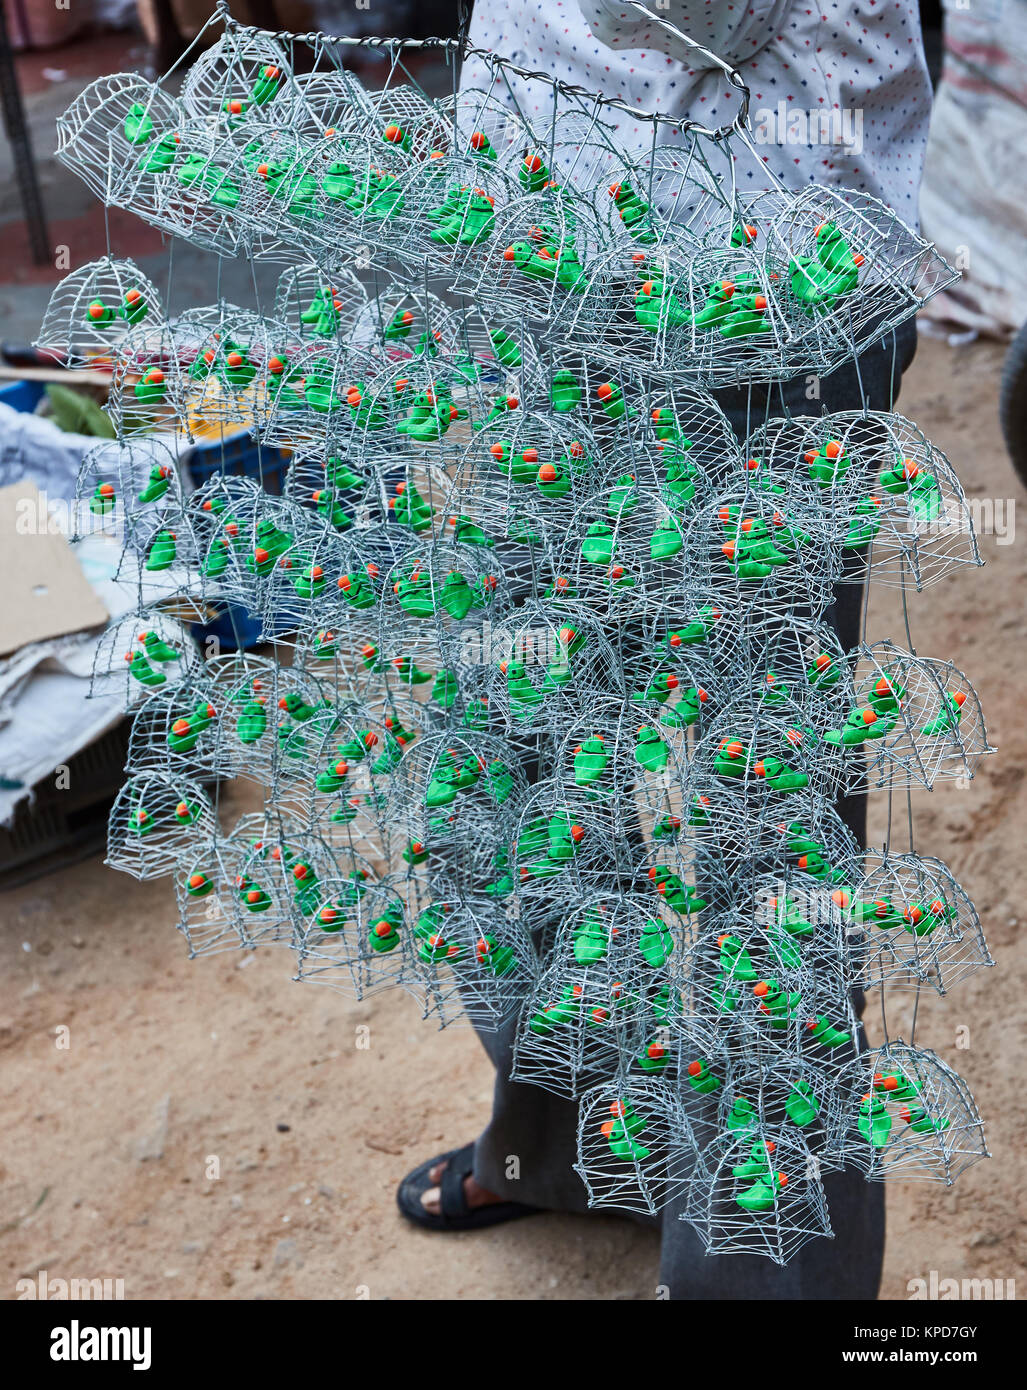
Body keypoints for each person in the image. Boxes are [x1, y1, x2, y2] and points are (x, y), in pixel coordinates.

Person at [397, 0, 931, 1299]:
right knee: (539, 775)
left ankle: (757, 1273)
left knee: (736, 859)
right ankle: (577, 1147)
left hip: (736, 314)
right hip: (571, 271)